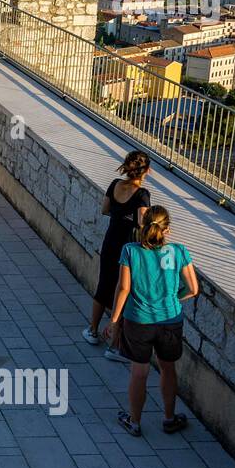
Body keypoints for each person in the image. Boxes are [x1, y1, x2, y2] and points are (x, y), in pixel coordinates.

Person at [108, 206, 199, 438]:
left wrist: (115, 321)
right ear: (167, 229)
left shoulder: (130, 251)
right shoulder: (179, 251)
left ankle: (134, 422)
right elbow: (193, 289)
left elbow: (124, 288)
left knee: (139, 373)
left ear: (142, 225)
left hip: (138, 320)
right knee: (168, 369)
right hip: (170, 319)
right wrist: (172, 299)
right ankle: (169, 419)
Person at [82, 150, 152, 363]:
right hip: (127, 246)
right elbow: (141, 223)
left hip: (110, 240)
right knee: (123, 290)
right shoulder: (142, 194)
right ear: (146, 171)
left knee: (104, 284)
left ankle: (93, 331)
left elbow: (105, 209)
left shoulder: (114, 184)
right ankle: (115, 346)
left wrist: (119, 213)